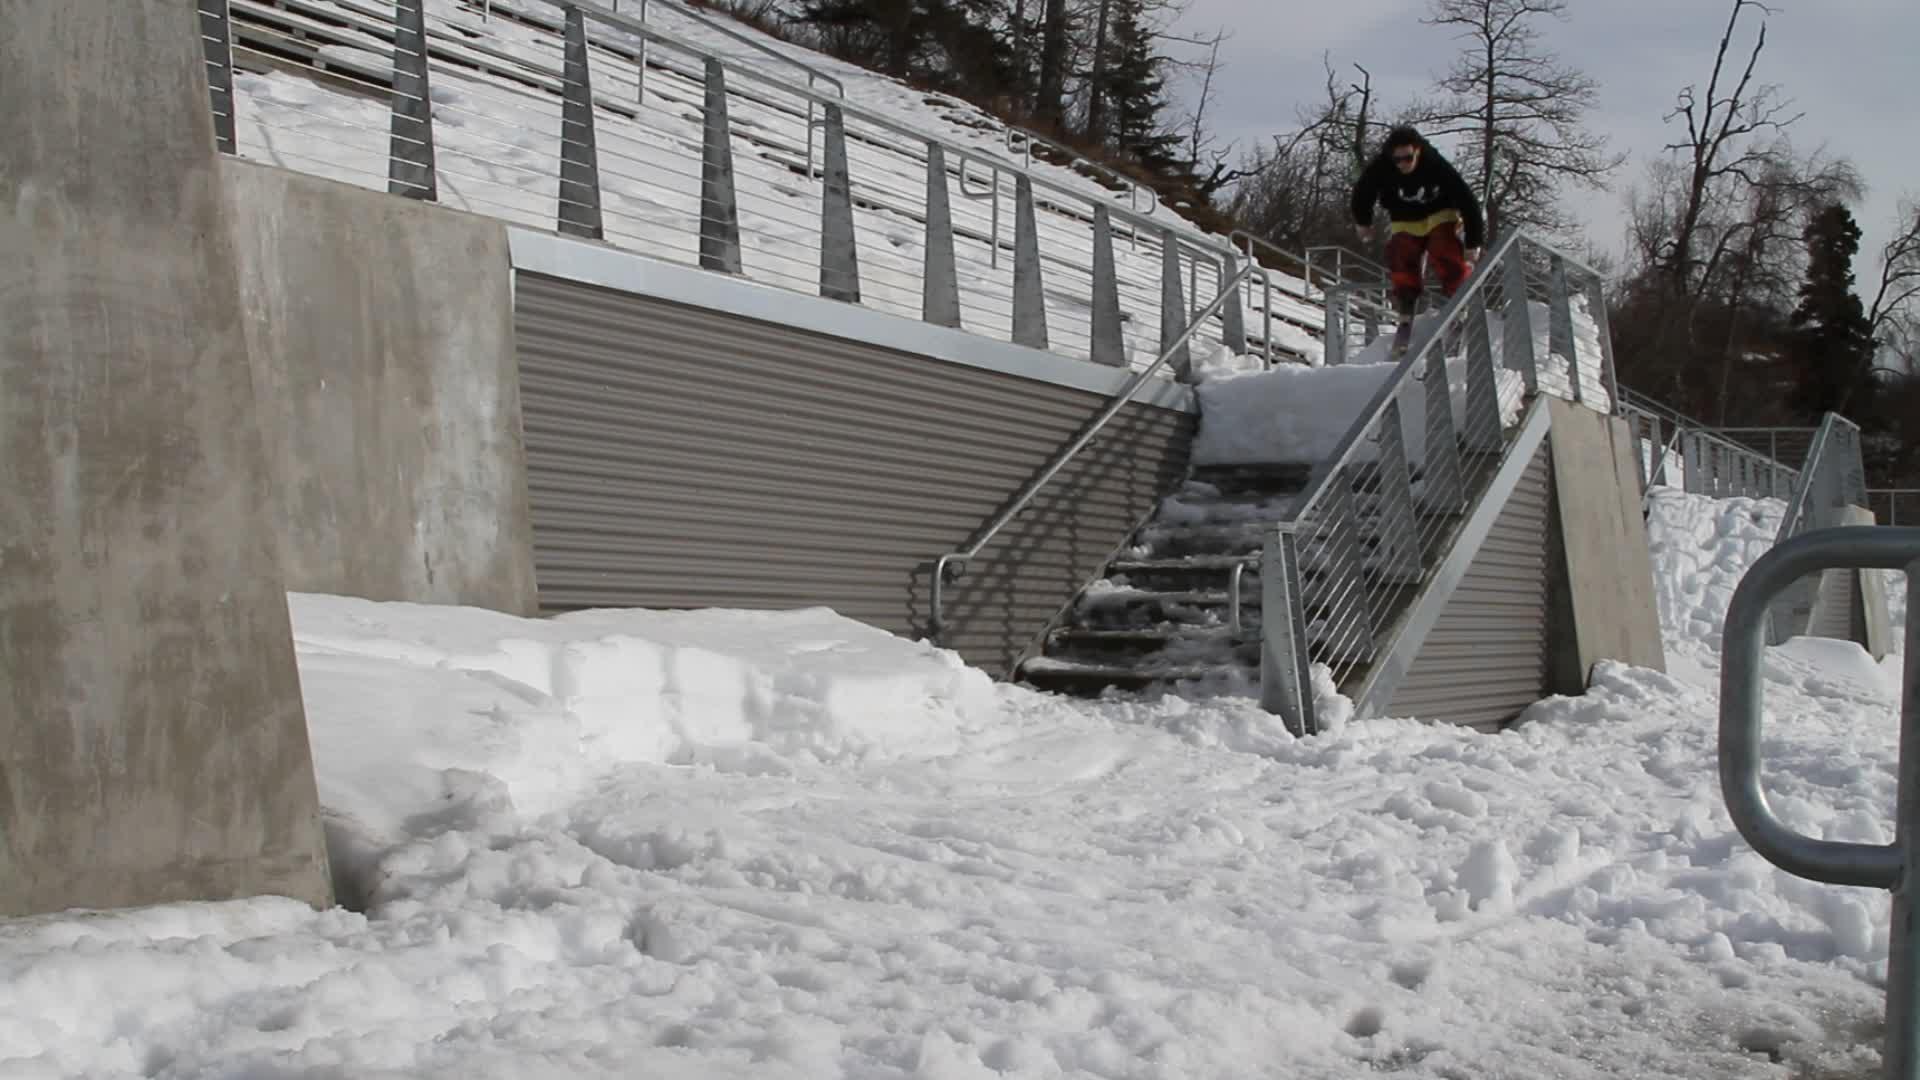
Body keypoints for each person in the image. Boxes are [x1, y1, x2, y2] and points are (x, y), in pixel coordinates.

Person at [1350, 126, 1485, 357]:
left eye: (1408, 158)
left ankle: (1457, 296)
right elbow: (1363, 193)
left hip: (1440, 212)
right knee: (1401, 253)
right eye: (1398, 159)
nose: (1402, 164)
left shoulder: (1435, 164)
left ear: (1418, 152)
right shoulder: (1382, 166)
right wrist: (1364, 223)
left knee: (1442, 248)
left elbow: (1467, 200)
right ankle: (1406, 301)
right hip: (1405, 218)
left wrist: (1473, 243)